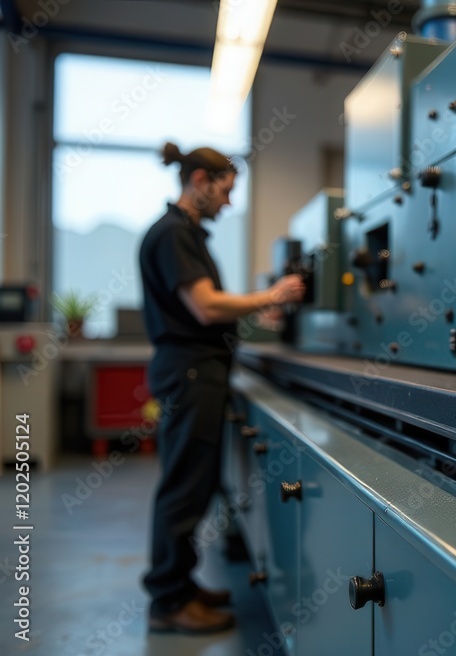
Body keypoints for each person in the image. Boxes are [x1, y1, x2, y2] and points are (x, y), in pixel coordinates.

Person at [139, 142, 305, 634]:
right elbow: (206, 308)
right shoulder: (172, 235)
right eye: (226, 191)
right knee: (184, 490)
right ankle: (168, 601)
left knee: (196, 484)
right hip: (190, 374)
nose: (229, 203)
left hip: (195, 372)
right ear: (200, 182)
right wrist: (271, 294)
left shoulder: (185, 234)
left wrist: (259, 310)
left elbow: (211, 310)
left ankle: (181, 586)